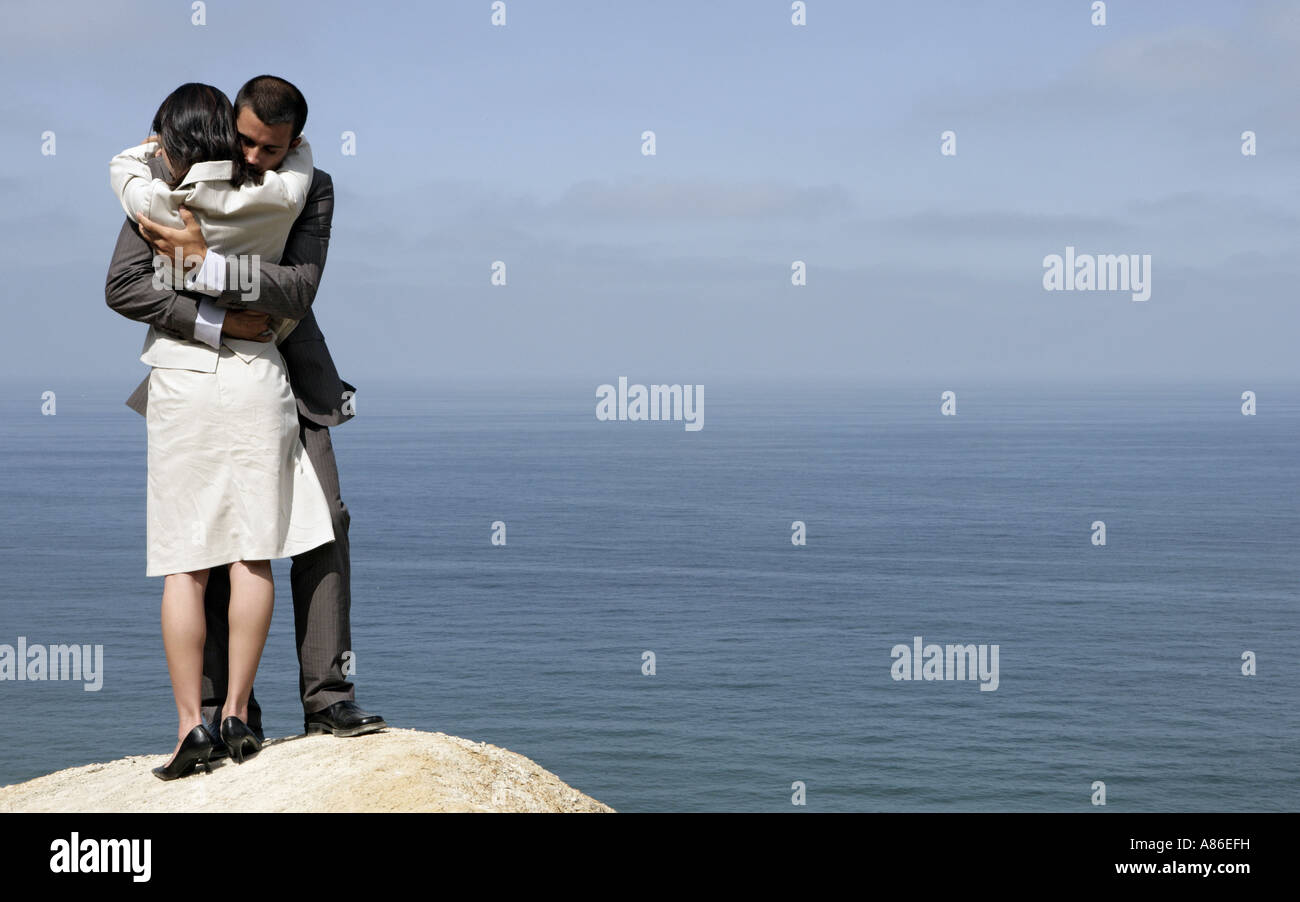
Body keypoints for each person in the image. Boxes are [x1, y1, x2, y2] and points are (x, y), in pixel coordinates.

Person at [105, 75, 387, 768]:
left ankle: (327, 700)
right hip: (218, 364)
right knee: (225, 536)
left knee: (327, 518)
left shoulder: (310, 187)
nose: (257, 157)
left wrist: (208, 263)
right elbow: (126, 281)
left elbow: (299, 287)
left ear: (295, 142)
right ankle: (231, 715)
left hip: (290, 371)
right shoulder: (184, 169)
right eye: (249, 141)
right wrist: (218, 317)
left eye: (272, 147)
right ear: (232, 123)